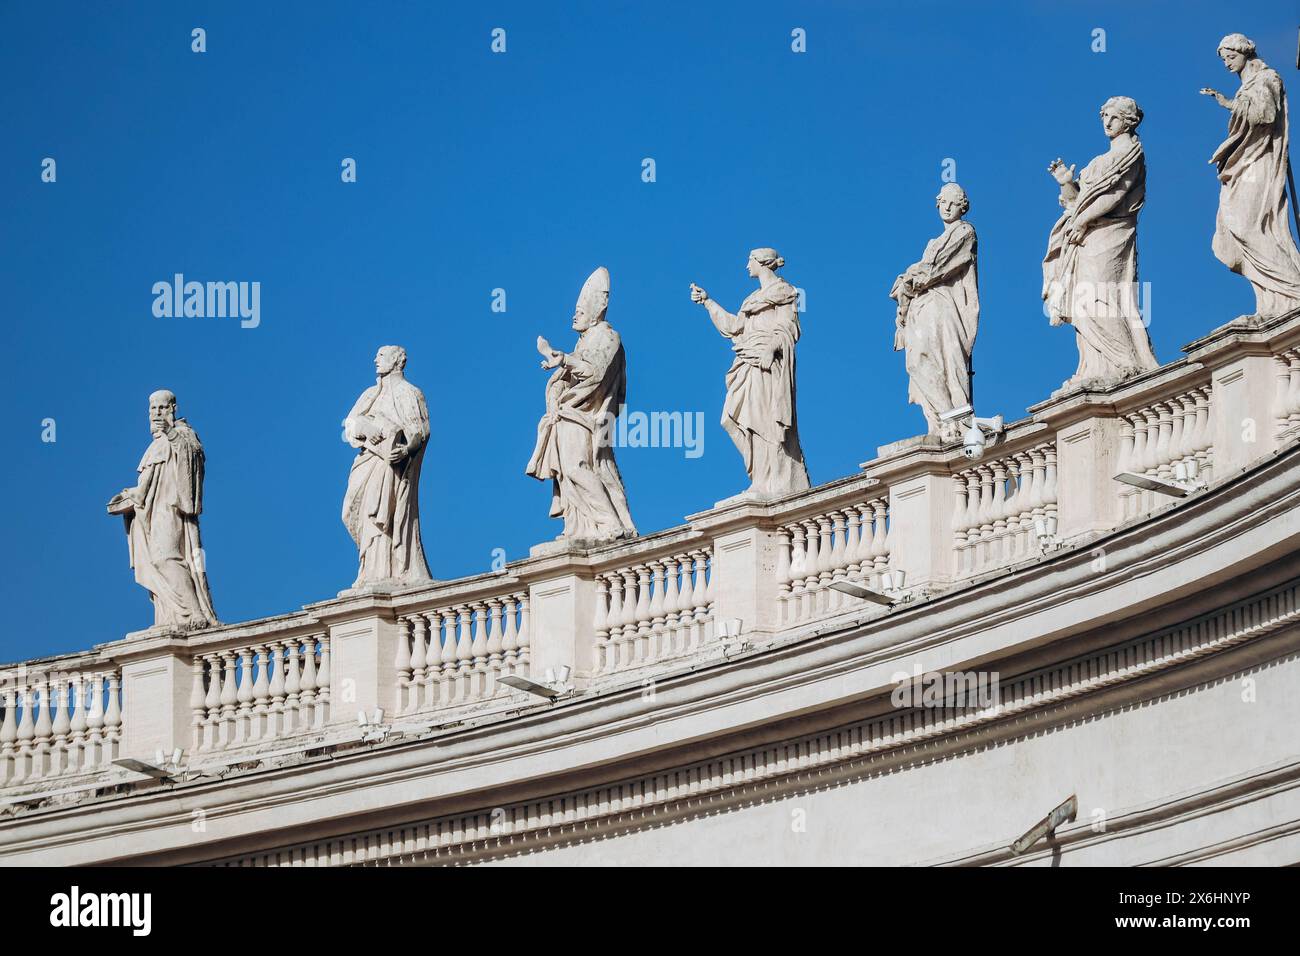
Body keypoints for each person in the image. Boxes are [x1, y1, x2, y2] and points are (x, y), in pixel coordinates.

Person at [1042, 96, 1159, 391]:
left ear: (1129, 120)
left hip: (1110, 233)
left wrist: (1083, 221)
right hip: (1085, 238)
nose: (1107, 122)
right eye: (1104, 116)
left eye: (1113, 117)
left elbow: (1115, 195)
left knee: (1101, 296)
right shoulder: (1097, 162)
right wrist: (1066, 183)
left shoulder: (1132, 154)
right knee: (1083, 300)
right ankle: (1096, 366)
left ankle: (1126, 363)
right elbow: (1077, 202)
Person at [526, 266, 637, 542]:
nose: (574, 313)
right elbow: (571, 375)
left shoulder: (608, 337)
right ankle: (581, 528)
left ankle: (610, 524)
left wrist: (564, 360)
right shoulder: (582, 343)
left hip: (584, 419)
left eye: (580, 307)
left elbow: (596, 372)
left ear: (596, 308)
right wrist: (559, 367)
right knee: (568, 474)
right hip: (567, 416)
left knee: (577, 467)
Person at [691, 248, 811, 497]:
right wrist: (708, 302)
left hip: (767, 363)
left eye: (750, 260)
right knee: (730, 418)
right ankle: (759, 475)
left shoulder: (785, 291)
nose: (746, 265)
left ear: (762, 263)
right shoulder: (751, 299)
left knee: (765, 420)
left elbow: (790, 328)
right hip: (747, 360)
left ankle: (768, 481)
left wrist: (771, 348)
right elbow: (734, 327)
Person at [1201, 32, 1300, 319]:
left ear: (1245, 52)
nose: (1227, 64)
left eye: (1231, 57)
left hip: (1260, 164)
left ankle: (1292, 288)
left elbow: (1265, 115)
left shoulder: (1266, 78)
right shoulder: (1249, 84)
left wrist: (1229, 104)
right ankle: (1272, 302)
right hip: (1244, 163)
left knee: (1248, 227)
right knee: (1235, 233)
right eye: (1224, 60)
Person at [107, 390, 218, 628]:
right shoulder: (154, 446)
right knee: (157, 561)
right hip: (150, 513)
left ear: (173, 409)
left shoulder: (183, 434)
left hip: (171, 509)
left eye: (161, 408)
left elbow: (192, 456)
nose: (156, 413)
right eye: (152, 409)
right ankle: (171, 617)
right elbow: (144, 487)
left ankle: (193, 612)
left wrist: (170, 432)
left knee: (168, 557)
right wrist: (127, 498)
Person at [890, 183, 979, 439]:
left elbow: (939, 268)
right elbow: (924, 268)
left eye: (953, 202)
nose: (947, 207)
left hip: (943, 308)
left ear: (962, 206)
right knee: (917, 362)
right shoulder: (933, 242)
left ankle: (955, 419)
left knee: (947, 361)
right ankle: (941, 420)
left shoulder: (965, 232)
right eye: (943, 202)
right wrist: (907, 280)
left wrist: (913, 278)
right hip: (921, 309)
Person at [342, 346, 431, 587]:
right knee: (353, 510)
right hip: (367, 462)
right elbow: (349, 424)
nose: (375, 359)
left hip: (390, 466)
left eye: (381, 356)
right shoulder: (371, 394)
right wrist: (365, 429)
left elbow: (420, 431)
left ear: (397, 361)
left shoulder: (409, 392)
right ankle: (369, 570)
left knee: (380, 512)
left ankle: (381, 573)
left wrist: (405, 450)